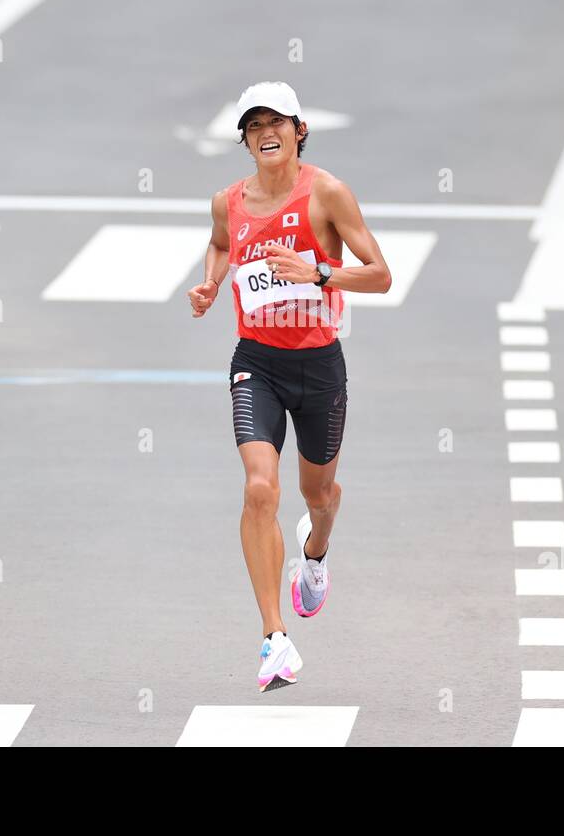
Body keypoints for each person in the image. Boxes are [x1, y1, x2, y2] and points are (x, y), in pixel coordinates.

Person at [187, 81, 391, 691]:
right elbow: (222, 244)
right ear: (245, 139)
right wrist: (210, 282)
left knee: (319, 493)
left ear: (299, 131)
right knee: (258, 489)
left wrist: (319, 272)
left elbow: (380, 276)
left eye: (278, 122)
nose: (266, 133)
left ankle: (318, 552)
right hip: (258, 364)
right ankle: (275, 639)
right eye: (254, 125)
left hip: (320, 365)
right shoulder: (228, 201)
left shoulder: (326, 193)